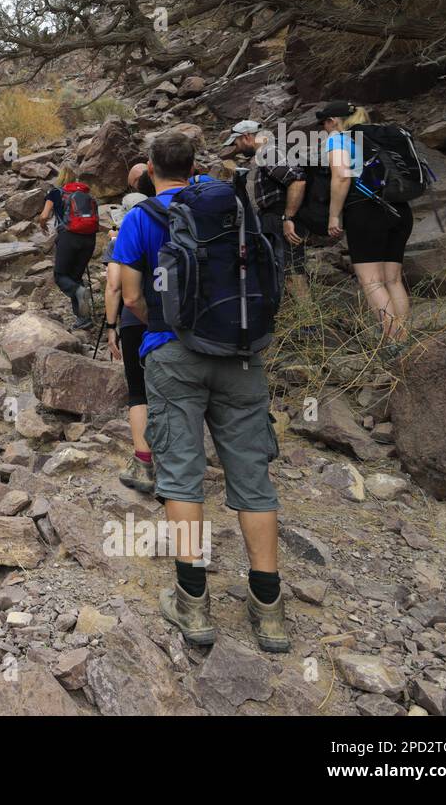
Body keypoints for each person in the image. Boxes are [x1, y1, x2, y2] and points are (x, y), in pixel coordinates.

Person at [111, 130, 289, 653]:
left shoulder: (142, 217)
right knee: (253, 477)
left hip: (174, 359)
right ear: (194, 165)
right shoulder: (229, 205)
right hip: (240, 353)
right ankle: (269, 610)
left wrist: (167, 326)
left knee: (182, 476)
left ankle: (193, 601)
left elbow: (130, 294)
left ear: (149, 167)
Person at [320, 101, 413, 344]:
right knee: (393, 279)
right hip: (400, 210)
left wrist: (333, 215)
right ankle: (406, 342)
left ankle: (394, 344)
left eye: (324, 123)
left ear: (333, 121)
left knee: (371, 280)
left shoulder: (338, 138)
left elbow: (341, 177)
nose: (324, 128)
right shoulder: (378, 138)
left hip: (367, 212)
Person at [102, 189, 154, 493]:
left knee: (138, 391)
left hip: (135, 321)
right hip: (169, 319)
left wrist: (112, 326)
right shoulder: (168, 227)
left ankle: (144, 462)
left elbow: (114, 287)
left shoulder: (121, 239)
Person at [227, 119, 311, 300]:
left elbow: (297, 180)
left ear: (247, 136)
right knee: (284, 269)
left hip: (282, 217)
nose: (238, 148)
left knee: (292, 271)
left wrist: (288, 218)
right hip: (276, 217)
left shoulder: (269, 152)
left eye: (237, 143)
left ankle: (309, 324)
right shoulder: (269, 151)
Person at [37, 166, 96, 329]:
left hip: (69, 238)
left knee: (61, 276)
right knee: (75, 277)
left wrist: (42, 225)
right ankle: (84, 319)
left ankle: (78, 292)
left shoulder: (55, 192)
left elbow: (44, 215)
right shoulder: (85, 194)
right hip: (90, 238)